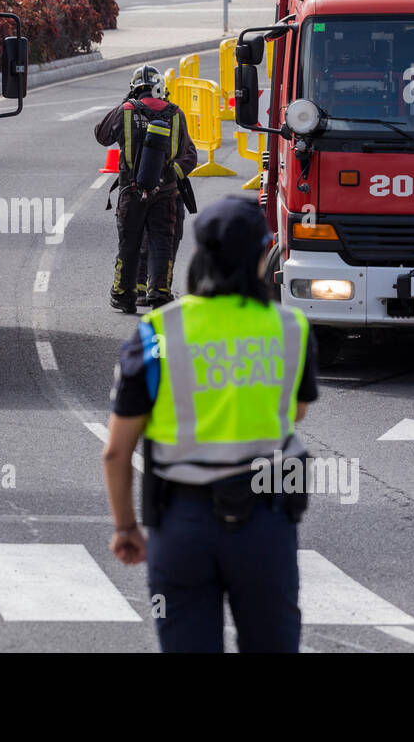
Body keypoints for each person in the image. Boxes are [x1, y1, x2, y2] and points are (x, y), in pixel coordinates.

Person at [101, 196, 319, 653]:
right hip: (265, 524)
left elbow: (117, 451)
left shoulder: (156, 332)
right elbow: (296, 412)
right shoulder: (292, 327)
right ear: (261, 257)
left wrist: (126, 528)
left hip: (181, 525)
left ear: (200, 255)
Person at [95, 64, 197, 313]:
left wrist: (124, 104)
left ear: (134, 89)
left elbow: (101, 135)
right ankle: (159, 293)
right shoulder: (176, 113)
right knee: (162, 241)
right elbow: (185, 150)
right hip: (165, 192)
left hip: (131, 191)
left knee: (129, 243)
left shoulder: (126, 110)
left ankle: (123, 294)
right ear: (160, 88)